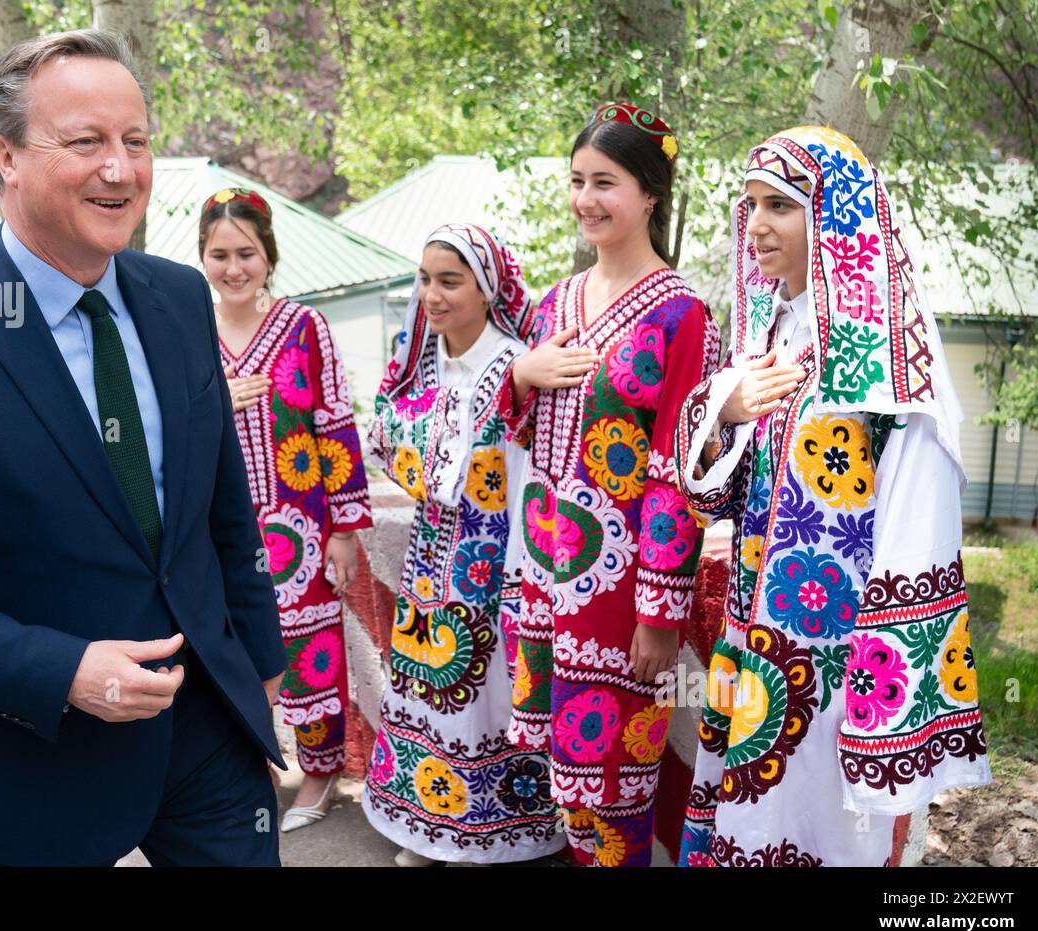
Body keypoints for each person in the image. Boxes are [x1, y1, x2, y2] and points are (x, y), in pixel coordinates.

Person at [0, 29, 286, 867]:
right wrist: (62, 670)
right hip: (25, 759)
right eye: (86, 142)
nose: (120, 169)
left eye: (134, 141)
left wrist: (258, 663)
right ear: (6, 155)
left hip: (211, 736)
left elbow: (222, 509)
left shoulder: (181, 296)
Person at [675, 126, 992, 867]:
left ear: (834, 216)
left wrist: (886, 686)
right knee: (747, 823)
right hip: (753, 643)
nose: (756, 225)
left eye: (780, 205)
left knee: (823, 827)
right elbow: (713, 499)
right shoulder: (777, 331)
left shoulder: (885, 344)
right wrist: (725, 407)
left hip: (840, 657)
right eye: (749, 204)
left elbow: (921, 517)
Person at [497, 104, 719, 866]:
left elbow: (678, 470)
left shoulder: (684, 315)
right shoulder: (556, 302)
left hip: (622, 587)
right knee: (566, 781)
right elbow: (523, 433)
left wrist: (660, 611)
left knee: (616, 774)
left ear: (650, 193)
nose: (586, 198)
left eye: (606, 183)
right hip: (544, 568)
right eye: (577, 181)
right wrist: (519, 376)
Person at [364, 223, 565, 866]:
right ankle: (429, 826)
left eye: (450, 281)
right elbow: (386, 432)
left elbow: (526, 456)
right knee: (428, 686)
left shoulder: (518, 361)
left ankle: (491, 833)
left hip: (499, 556)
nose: (433, 295)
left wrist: (500, 391)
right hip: (432, 556)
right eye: (425, 279)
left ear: (489, 290)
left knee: (488, 694)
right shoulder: (419, 356)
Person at [200, 186, 373, 831]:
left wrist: (347, 529)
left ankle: (322, 771)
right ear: (204, 259)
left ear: (267, 255)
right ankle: (253, 766)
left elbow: (335, 424)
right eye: (219, 255)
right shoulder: (189, 331)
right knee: (229, 649)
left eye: (246, 252)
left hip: (302, 526)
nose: (234, 268)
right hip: (219, 530)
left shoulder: (305, 327)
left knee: (309, 653)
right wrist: (216, 402)